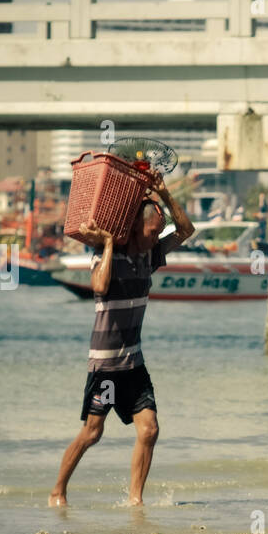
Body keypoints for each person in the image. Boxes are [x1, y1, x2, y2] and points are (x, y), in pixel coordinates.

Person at [49, 174, 194, 507]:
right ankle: (58, 490)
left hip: (133, 365)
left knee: (149, 430)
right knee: (92, 433)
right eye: (153, 231)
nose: (157, 237)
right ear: (134, 229)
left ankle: (135, 500)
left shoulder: (150, 255)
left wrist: (164, 194)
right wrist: (111, 243)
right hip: (106, 367)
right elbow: (99, 287)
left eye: (159, 232)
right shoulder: (106, 255)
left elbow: (186, 231)